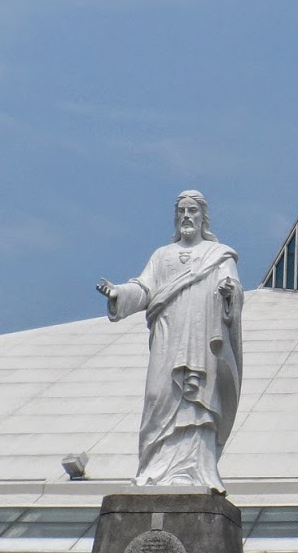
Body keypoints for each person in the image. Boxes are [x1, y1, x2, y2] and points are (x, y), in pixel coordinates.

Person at [97, 191, 243, 492]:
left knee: (197, 402)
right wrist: (119, 294)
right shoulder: (162, 255)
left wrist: (230, 292)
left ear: (203, 216)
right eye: (181, 211)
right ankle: (153, 469)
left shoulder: (219, 255)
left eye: (192, 210)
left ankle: (194, 471)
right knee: (157, 397)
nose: (186, 216)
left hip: (201, 338)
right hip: (168, 335)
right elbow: (144, 288)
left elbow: (233, 290)